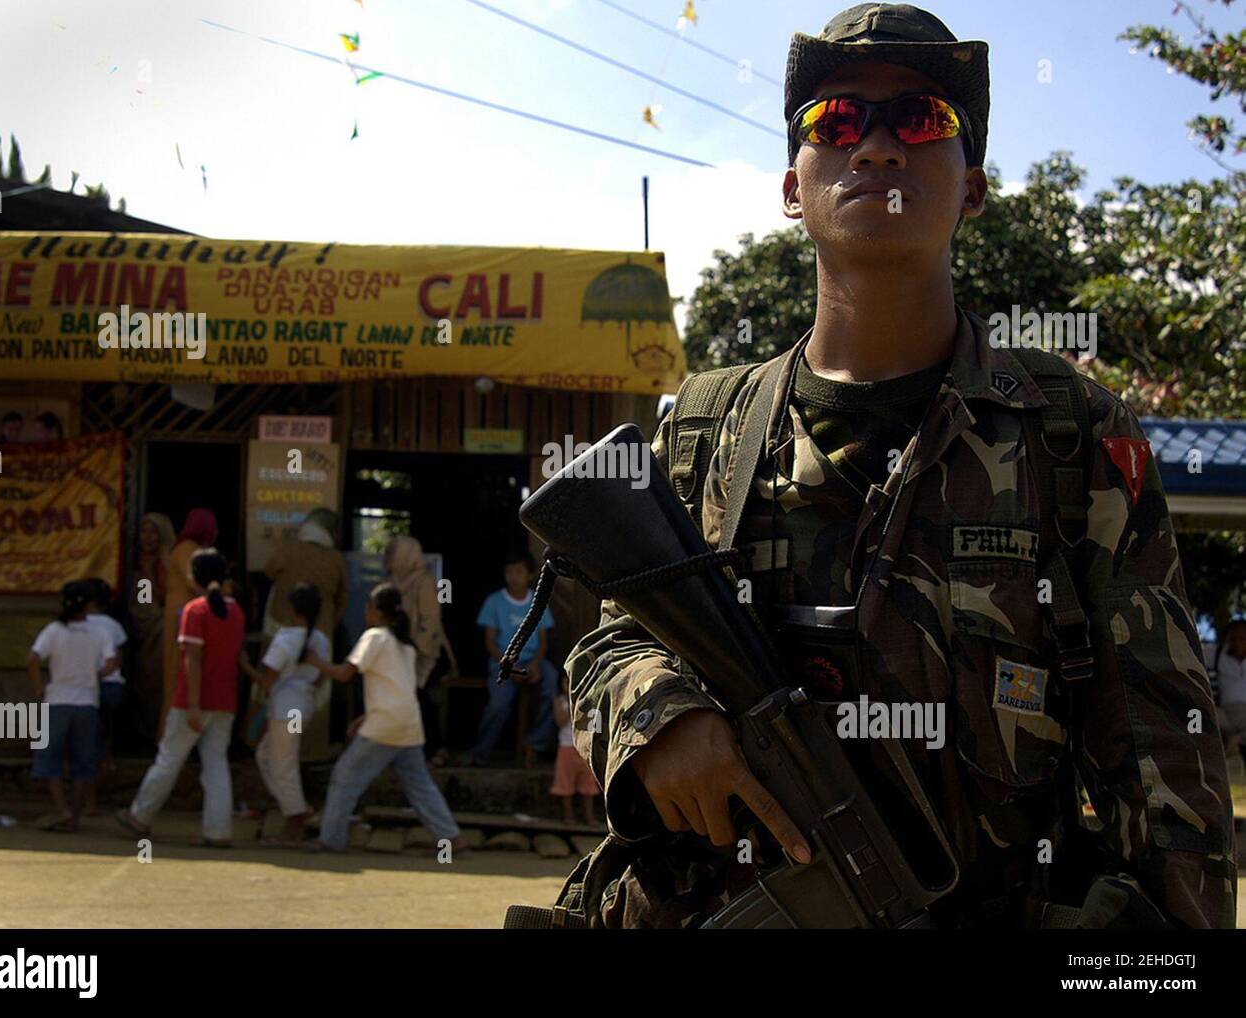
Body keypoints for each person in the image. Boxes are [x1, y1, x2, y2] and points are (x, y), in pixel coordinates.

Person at [557, 4, 1234, 929]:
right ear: (793, 188)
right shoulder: (705, 428)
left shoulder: (1069, 433)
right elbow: (608, 636)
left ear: (974, 189)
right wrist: (659, 717)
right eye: (835, 124)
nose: (875, 148)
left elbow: (1163, 751)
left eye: (920, 120)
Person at [306, 584, 466, 854]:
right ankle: (451, 836)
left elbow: (346, 674)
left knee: (345, 777)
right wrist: (365, 717)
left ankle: (331, 838)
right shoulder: (405, 645)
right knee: (419, 784)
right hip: (408, 723)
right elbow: (396, 688)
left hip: (385, 725)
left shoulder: (374, 637)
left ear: (377, 611)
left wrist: (316, 661)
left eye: (369, 607)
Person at [117, 548, 246, 847]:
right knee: (215, 763)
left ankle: (140, 816)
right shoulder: (236, 612)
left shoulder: (195, 611)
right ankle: (218, 830)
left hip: (194, 698)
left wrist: (192, 704)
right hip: (225, 699)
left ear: (193, 577)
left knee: (169, 759)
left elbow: (193, 661)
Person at [240, 582, 330, 845]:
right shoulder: (320, 639)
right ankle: (296, 808)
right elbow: (318, 678)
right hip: (301, 707)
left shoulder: (285, 639)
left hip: (285, 710)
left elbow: (266, 681)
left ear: (291, 608)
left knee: (282, 765)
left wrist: (244, 666)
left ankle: (296, 816)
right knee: (267, 756)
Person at [27, 582, 119, 832]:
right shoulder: (99, 632)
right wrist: (95, 676)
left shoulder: (54, 630)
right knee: (83, 761)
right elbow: (112, 662)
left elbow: (33, 659)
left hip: (57, 701)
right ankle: (75, 816)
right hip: (87, 702)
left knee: (48, 758)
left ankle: (62, 809)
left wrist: (38, 687)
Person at [469, 551, 559, 768]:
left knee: (553, 687)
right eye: (509, 572)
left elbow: (543, 642)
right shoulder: (494, 601)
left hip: (533, 662)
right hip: (503, 663)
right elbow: (490, 642)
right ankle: (480, 754)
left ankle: (536, 742)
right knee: (498, 706)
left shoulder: (539, 601)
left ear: (529, 575)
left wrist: (535, 664)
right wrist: (508, 665)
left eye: (519, 572)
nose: (513, 577)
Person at [385, 535, 457, 767]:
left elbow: (431, 626)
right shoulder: (394, 582)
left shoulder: (424, 582)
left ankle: (436, 749)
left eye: (392, 553)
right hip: (403, 655)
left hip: (430, 656)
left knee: (416, 694)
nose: (387, 558)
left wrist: (412, 654)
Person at [161, 508, 218, 741]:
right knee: (177, 678)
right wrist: (221, 591)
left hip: (184, 617)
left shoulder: (188, 548)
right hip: (180, 620)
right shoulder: (187, 550)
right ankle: (167, 740)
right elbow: (194, 581)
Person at [264, 507, 348, 640]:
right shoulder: (336, 559)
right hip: (321, 629)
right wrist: (329, 624)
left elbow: (268, 571)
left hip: (283, 625)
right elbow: (342, 599)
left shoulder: (288, 549)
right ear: (333, 532)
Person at [128, 512, 176, 742]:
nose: (147, 538)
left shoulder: (165, 564)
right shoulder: (137, 562)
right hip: (146, 637)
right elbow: (144, 607)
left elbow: (156, 601)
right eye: (143, 531)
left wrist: (148, 574)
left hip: (160, 637)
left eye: (153, 532)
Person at [83, 577, 128, 816]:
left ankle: (90, 802)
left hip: (89, 689)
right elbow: (117, 658)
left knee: (88, 745)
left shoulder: (78, 625)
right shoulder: (113, 625)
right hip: (113, 688)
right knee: (104, 739)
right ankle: (107, 773)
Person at [551, 672, 599, 826]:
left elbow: (594, 728)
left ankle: (589, 817)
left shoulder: (592, 701)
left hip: (585, 750)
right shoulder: (560, 701)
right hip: (566, 748)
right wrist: (573, 705)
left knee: (588, 786)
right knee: (565, 783)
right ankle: (568, 815)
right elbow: (560, 721)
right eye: (567, 683)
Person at [1216, 620, 1246, 771]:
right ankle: (1195, 746)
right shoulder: (1216, 654)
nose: (1237, 643)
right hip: (1224, 715)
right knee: (1194, 713)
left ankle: (1237, 741)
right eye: (1233, 638)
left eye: (1242, 638)